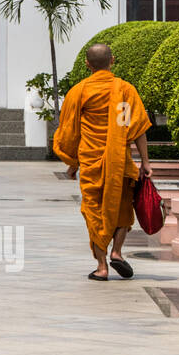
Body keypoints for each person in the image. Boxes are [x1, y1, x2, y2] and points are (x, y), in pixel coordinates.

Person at [53, 43, 153, 281]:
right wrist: (145, 163)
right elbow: (134, 127)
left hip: (90, 161)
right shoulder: (124, 91)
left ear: (87, 64)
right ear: (113, 60)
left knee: (94, 211)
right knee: (121, 209)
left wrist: (73, 162)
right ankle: (117, 252)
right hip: (119, 160)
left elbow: (70, 132)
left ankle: (102, 267)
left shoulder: (79, 92)